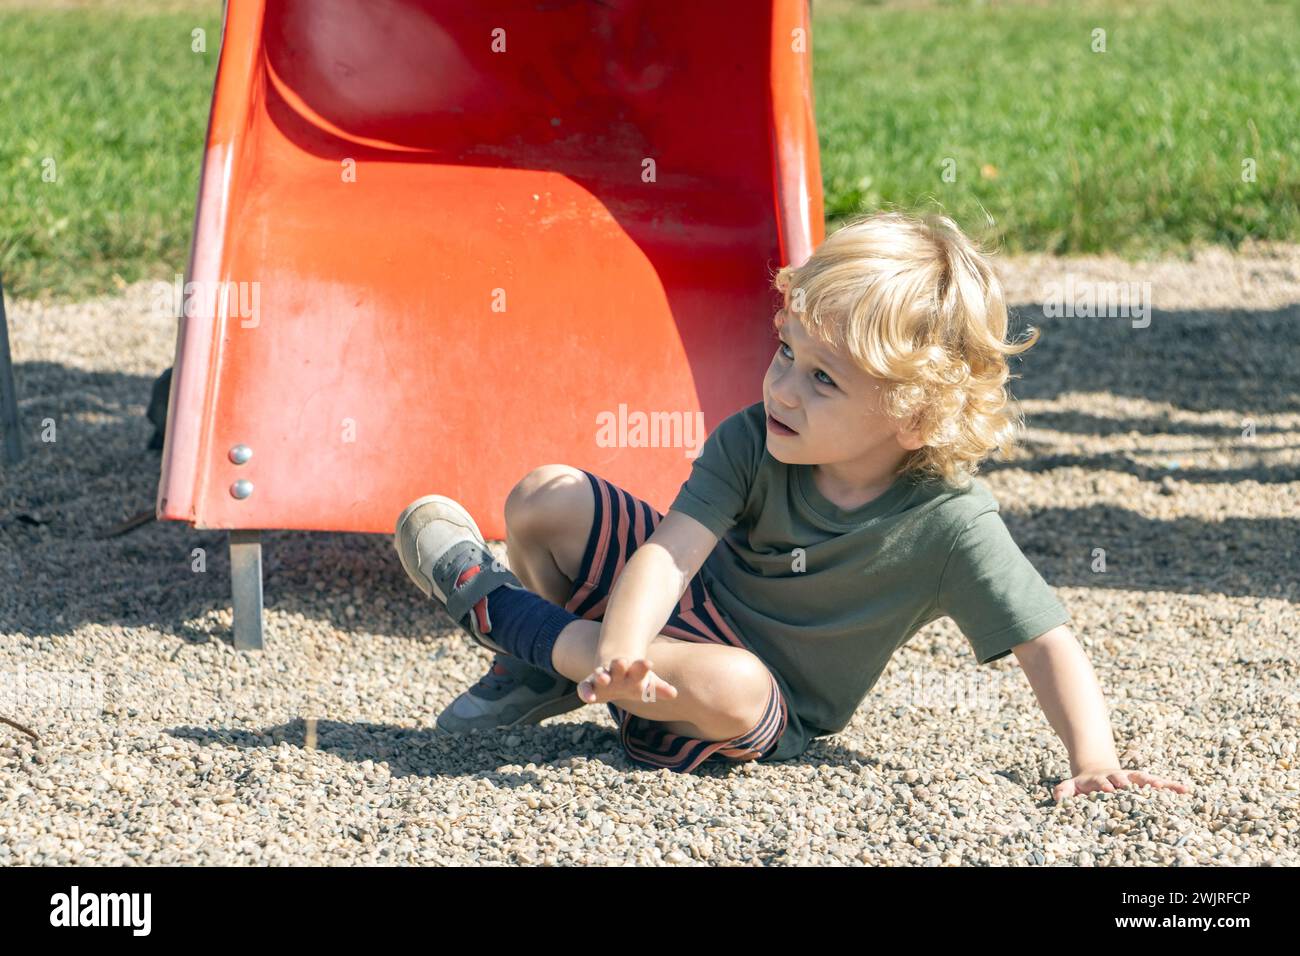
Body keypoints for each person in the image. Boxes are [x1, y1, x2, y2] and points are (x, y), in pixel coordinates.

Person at [394, 209, 1191, 799]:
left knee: (733, 683)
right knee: (545, 498)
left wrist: (1093, 759)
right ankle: (558, 668)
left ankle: (505, 615)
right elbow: (670, 555)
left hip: (741, 702)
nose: (782, 387)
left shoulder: (951, 522)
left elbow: (1045, 639)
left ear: (913, 417)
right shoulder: (754, 442)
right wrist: (627, 643)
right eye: (786, 351)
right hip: (661, 639)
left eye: (822, 378)